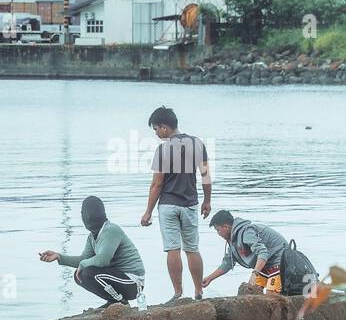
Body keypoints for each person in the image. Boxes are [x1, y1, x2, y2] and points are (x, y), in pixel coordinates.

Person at [141, 105, 211, 303]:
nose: (156, 133)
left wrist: (148, 212)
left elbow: (157, 184)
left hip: (168, 205)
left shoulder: (163, 149)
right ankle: (198, 291)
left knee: (173, 249)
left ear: (165, 127)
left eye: (156, 129)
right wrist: (207, 201)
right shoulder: (197, 143)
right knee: (192, 248)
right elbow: (206, 176)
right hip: (190, 204)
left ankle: (178, 293)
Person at [40, 195, 145, 308]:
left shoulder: (110, 230)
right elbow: (84, 259)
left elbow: (102, 260)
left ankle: (121, 302)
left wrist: (82, 264)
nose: (88, 217)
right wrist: (59, 256)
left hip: (133, 282)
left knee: (87, 272)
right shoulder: (92, 236)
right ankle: (114, 300)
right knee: (79, 274)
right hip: (118, 278)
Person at [203, 209, 317, 296]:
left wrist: (254, 273)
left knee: (271, 297)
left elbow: (263, 253)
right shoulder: (232, 241)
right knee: (251, 291)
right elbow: (227, 263)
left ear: (226, 226)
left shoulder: (246, 233)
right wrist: (209, 278)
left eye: (218, 230)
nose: (218, 233)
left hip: (279, 261)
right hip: (265, 265)